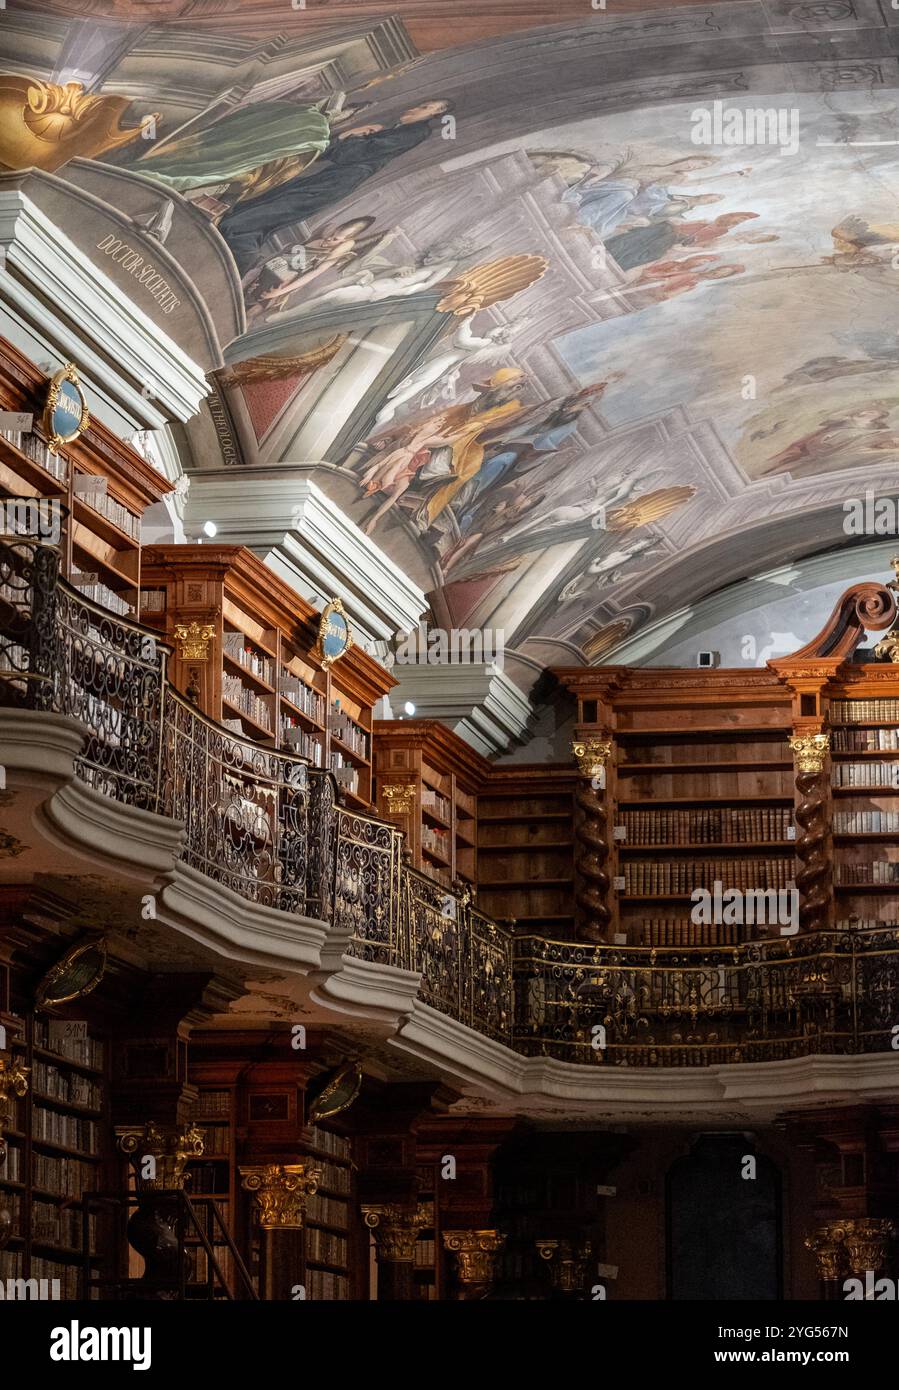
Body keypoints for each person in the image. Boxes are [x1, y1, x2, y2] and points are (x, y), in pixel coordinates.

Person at [218, 101, 452, 275]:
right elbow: (332, 152)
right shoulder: (396, 129)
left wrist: (350, 136)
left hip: (335, 182)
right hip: (329, 179)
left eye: (424, 108)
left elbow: (359, 153)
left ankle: (238, 259)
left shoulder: (416, 132)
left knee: (262, 214)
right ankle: (235, 254)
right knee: (264, 209)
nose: (414, 108)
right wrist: (348, 137)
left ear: (437, 113)